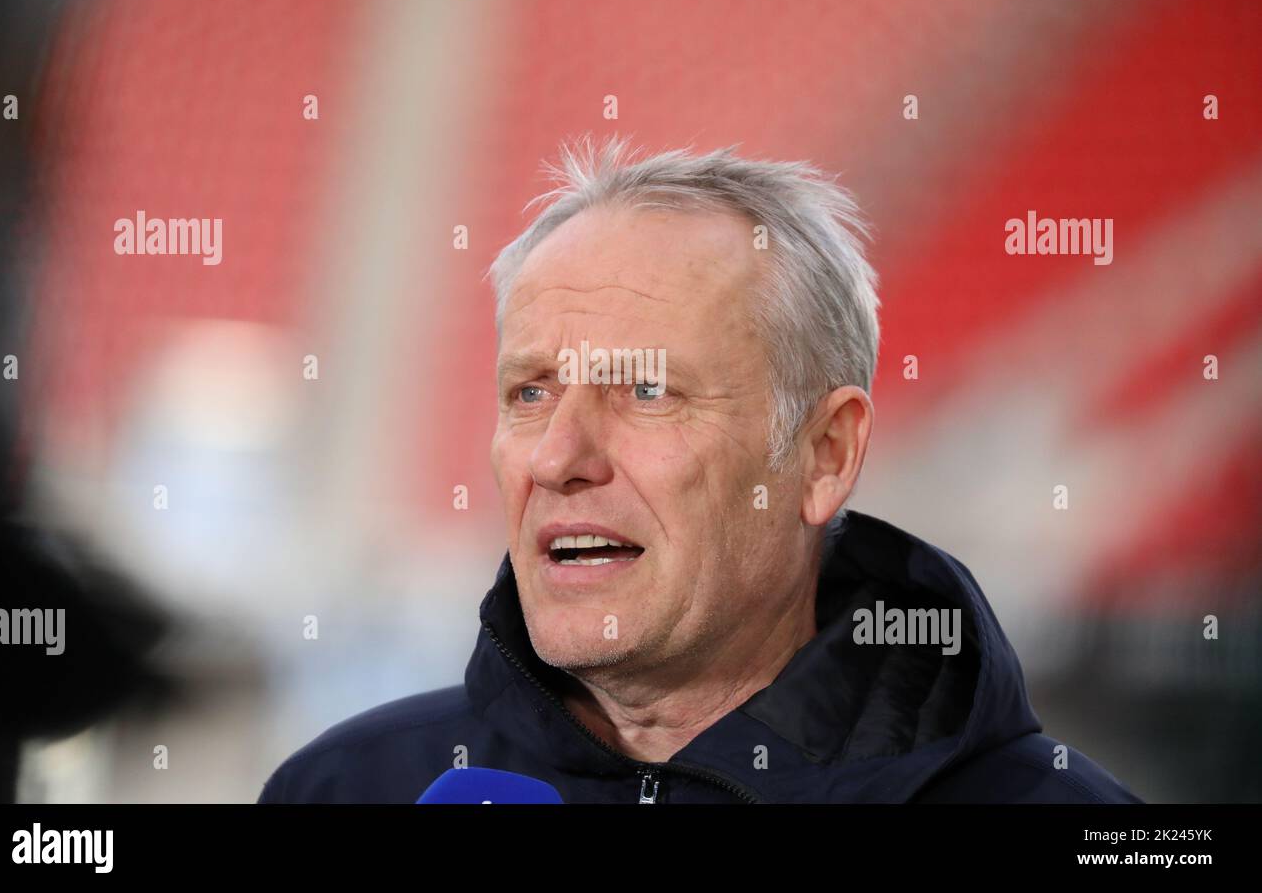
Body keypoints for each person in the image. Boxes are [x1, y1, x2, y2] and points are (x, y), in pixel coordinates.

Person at [258, 136, 1140, 803]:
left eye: (646, 390)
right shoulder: (346, 788)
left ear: (825, 456)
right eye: (530, 394)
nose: (561, 458)